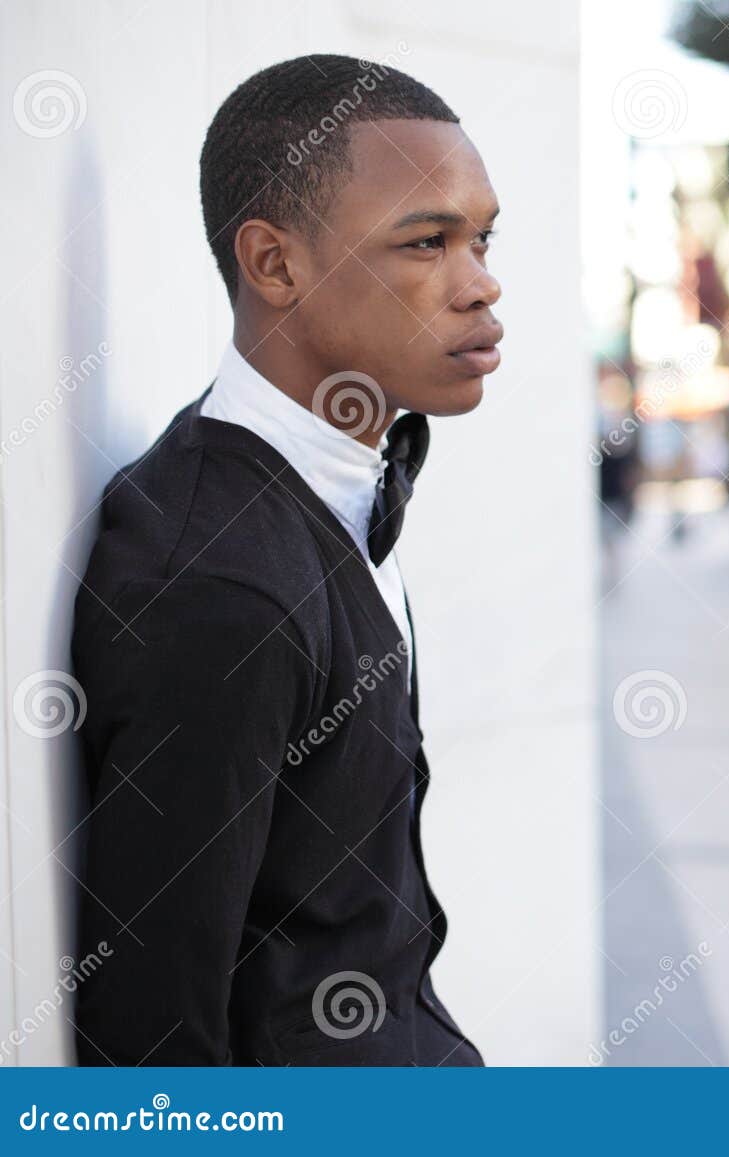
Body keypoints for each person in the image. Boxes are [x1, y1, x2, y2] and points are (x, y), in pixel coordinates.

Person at [70, 54, 502, 1065]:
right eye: (425, 242)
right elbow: (149, 1053)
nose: (480, 283)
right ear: (273, 264)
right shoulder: (224, 596)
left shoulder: (343, 477)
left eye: (482, 237)